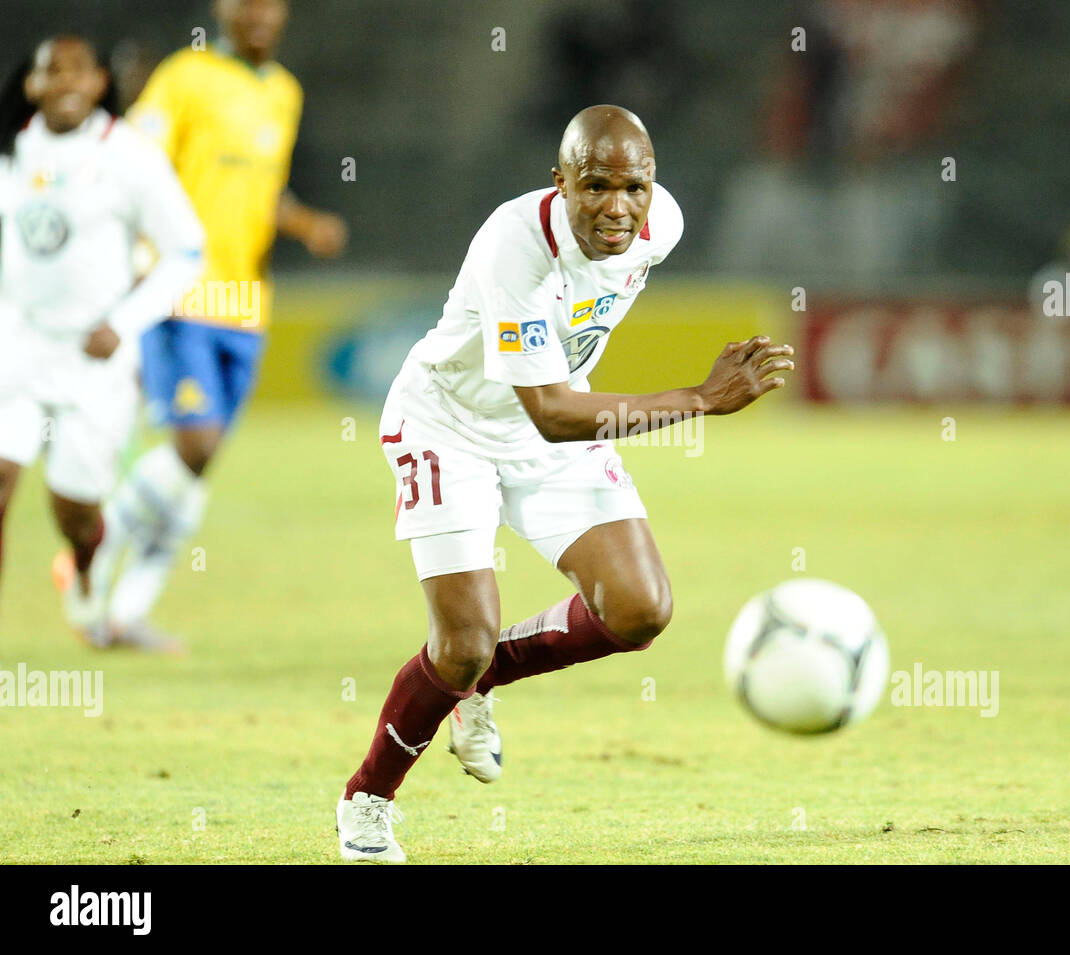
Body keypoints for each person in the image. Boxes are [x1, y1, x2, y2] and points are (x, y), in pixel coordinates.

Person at [336, 105, 795, 862]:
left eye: (634, 187)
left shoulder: (662, 224)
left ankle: (480, 683)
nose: (617, 207)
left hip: (558, 426)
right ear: (559, 183)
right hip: (451, 426)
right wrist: (699, 401)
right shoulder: (513, 247)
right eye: (595, 186)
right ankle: (366, 800)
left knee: (641, 608)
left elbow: (555, 406)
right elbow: (550, 412)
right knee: (459, 644)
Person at [89, 0, 347, 648]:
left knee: (195, 469)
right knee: (194, 445)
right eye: (244, 3)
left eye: (269, 4)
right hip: (180, 292)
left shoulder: (283, 92)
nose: (257, 14)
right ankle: (90, 545)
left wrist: (305, 222)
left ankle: (125, 611)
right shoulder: (184, 76)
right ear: (221, 11)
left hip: (245, 304)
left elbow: (261, 193)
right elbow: (131, 169)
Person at [0, 35, 203, 637]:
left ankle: (86, 570)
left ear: (97, 84)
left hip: (95, 361)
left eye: (77, 72)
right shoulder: (11, 151)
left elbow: (186, 251)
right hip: (19, 348)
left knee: (75, 510)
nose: (64, 82)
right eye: (49, 72)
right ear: (31, 85)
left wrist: (125, 323)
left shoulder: (129, 156)